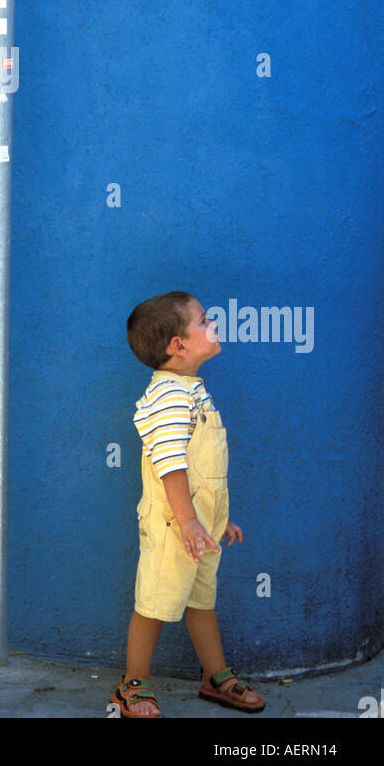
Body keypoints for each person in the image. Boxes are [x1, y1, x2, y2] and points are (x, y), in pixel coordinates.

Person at [111, 291, 265, 718]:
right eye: (204, 320)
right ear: (178, 346)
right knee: (154, 602)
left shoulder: (191, 390)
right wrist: (189, 522)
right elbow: (170, 464)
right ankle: (131, 684)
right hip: (173, 526)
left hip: (199, 526)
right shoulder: (170, 397)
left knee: (202, 601)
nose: (214, 325)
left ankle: (215, 676)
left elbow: (202, 471)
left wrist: (217, 518)